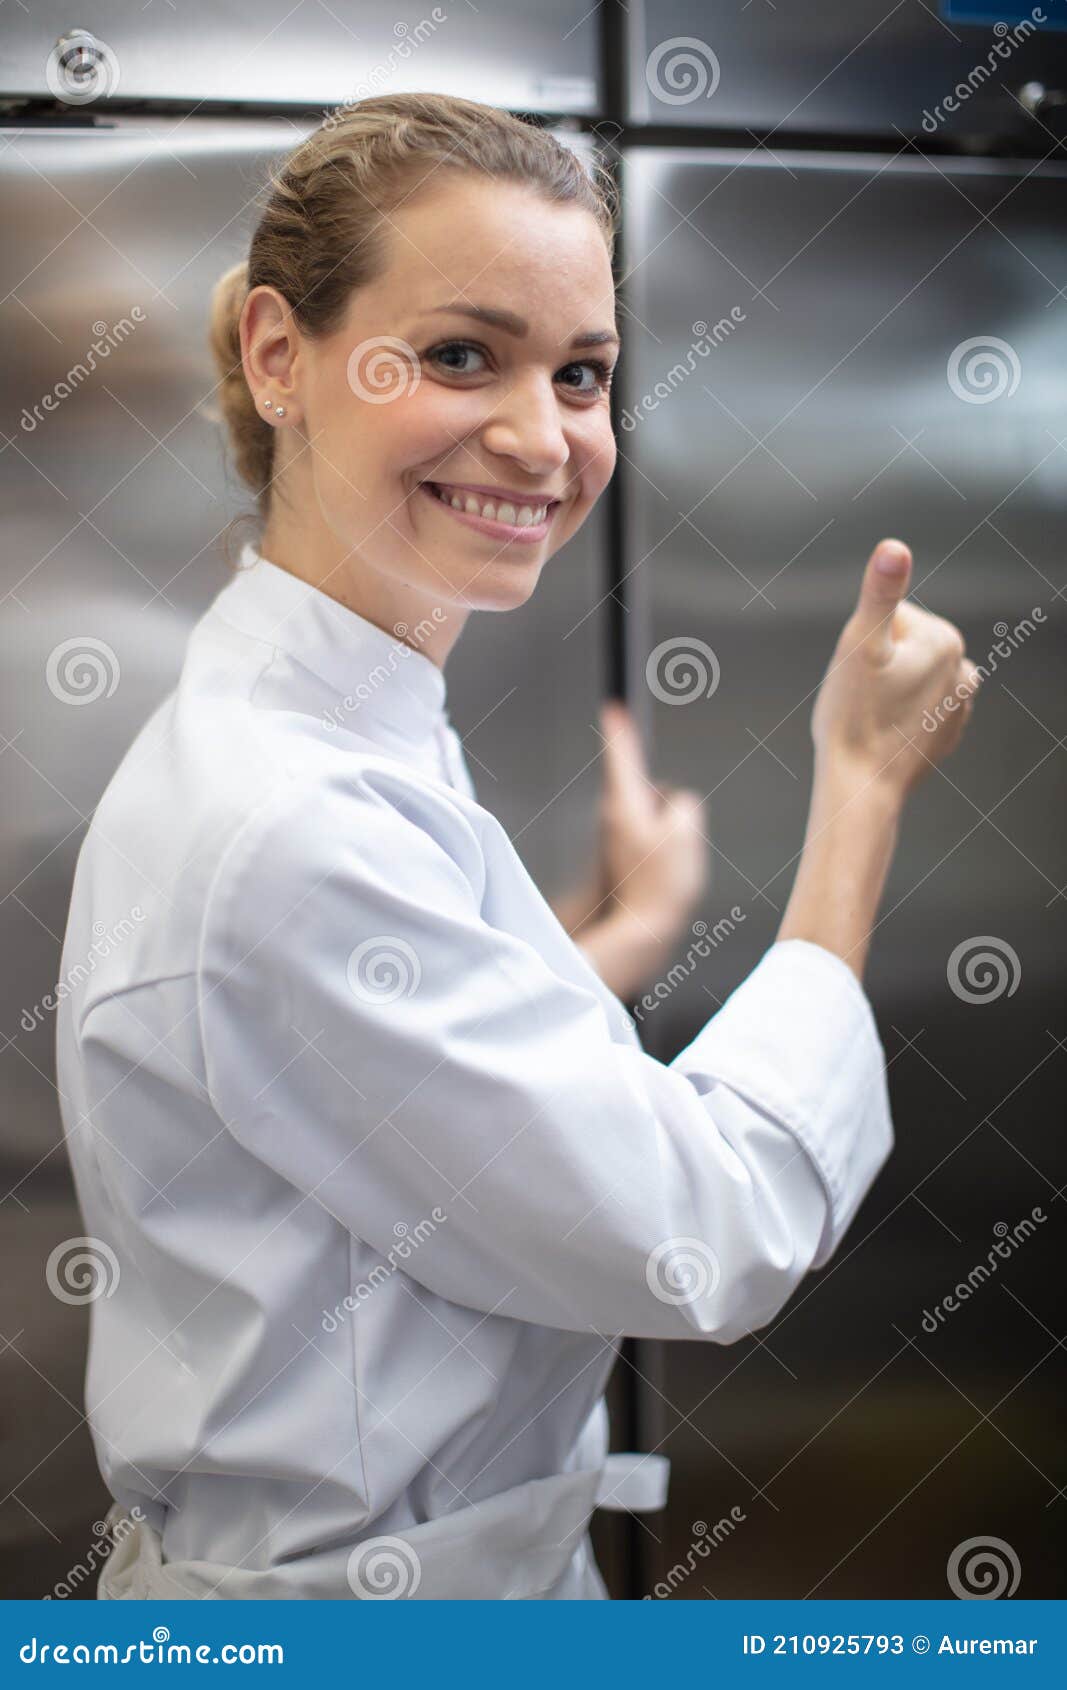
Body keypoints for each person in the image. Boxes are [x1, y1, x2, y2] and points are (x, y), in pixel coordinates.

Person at [55, 92, 981, 1601]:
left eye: (585, 372)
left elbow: (358, 1056)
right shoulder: (289, 814)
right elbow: (715, 1225)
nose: (542, 438)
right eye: (461, 354)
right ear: (281, 355)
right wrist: (861, 790)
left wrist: (600, 941)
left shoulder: (322, 718)